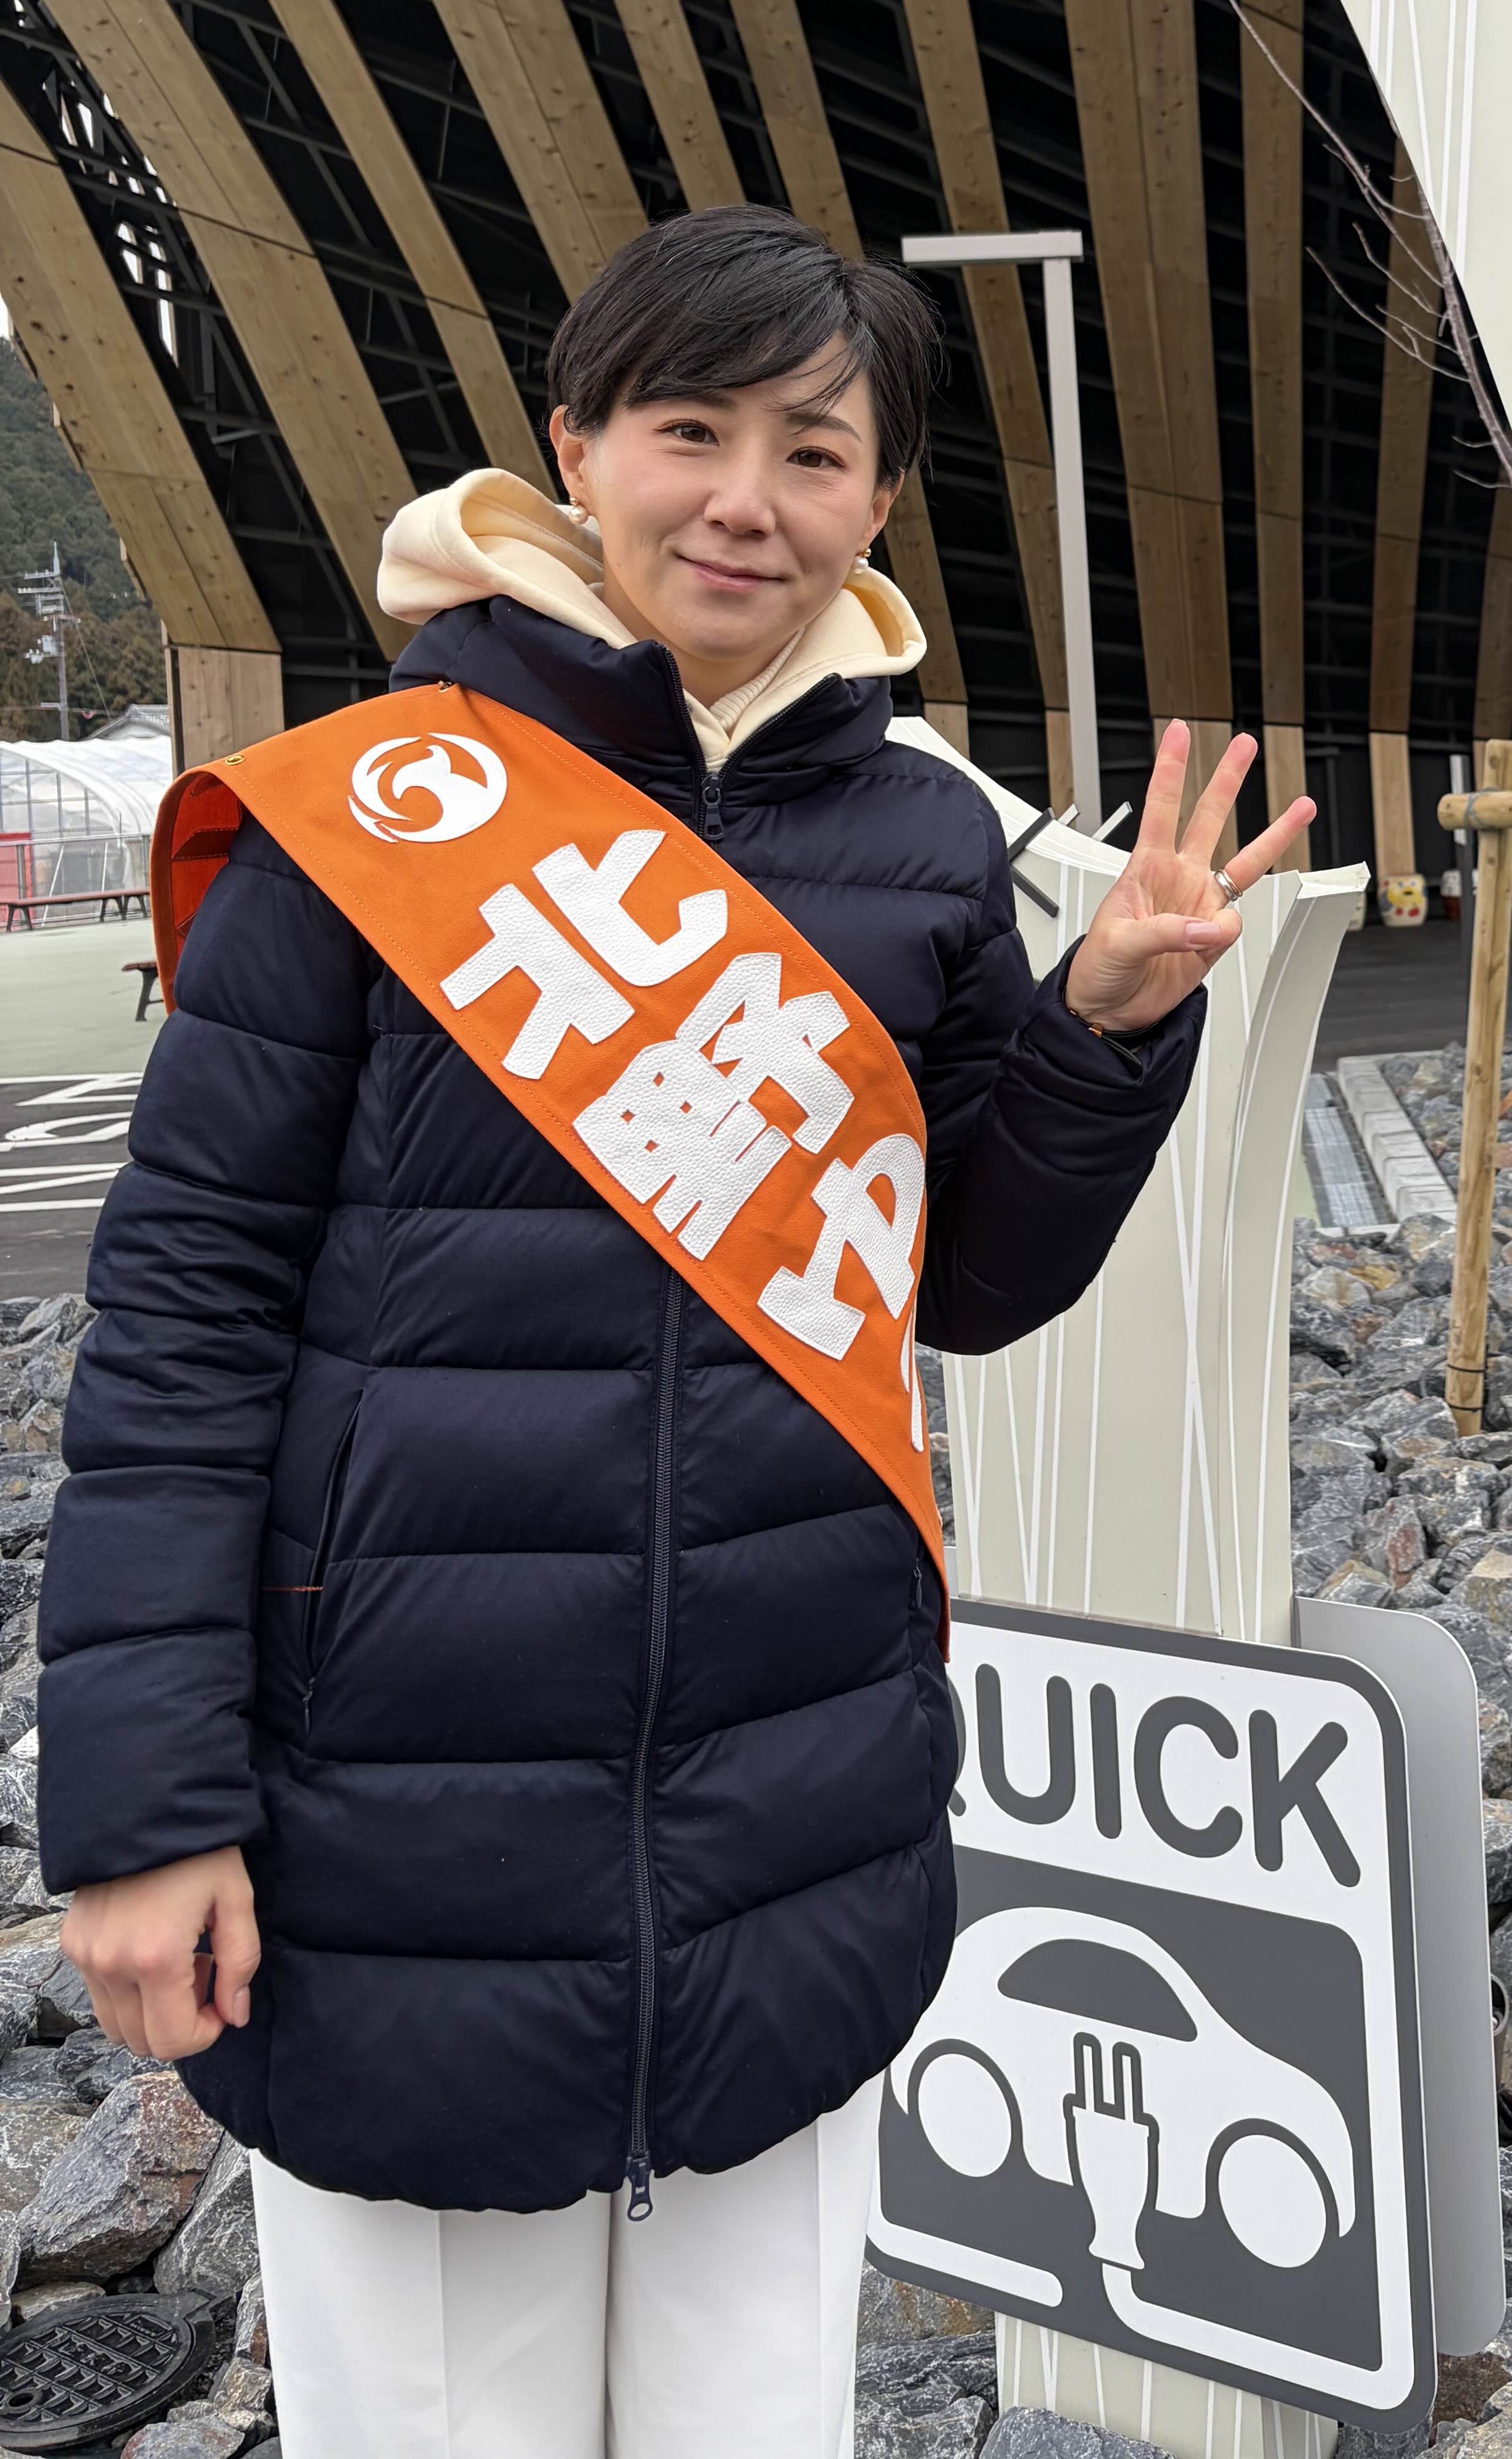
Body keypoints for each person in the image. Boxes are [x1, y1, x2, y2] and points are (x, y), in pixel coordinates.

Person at [37, 206, 1312, 2459]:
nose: (746, 498)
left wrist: (1105, 1024)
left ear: (881, 499)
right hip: (398, 1837)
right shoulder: (379, 809)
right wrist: (143, 1814)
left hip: (785, 1821)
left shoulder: (926, 848)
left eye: (813, 451)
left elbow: (963, 1286)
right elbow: (182, 1321)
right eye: (686, 429)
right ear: (574, 445)